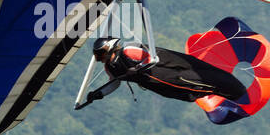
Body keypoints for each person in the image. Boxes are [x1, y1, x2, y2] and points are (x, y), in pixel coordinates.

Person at [76, 36, 247, 109]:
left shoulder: (128, 51)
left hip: (165, 69)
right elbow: (115, 82)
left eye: (101, 53)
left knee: (192, 80)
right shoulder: (110, 67)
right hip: (155, 84)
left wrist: (137, 67)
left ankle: (232, 90)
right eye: (97, 56)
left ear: (109, 48)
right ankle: (223, 93)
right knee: (184, 94)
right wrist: (98, 94)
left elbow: (149, 57)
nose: (99, 58)